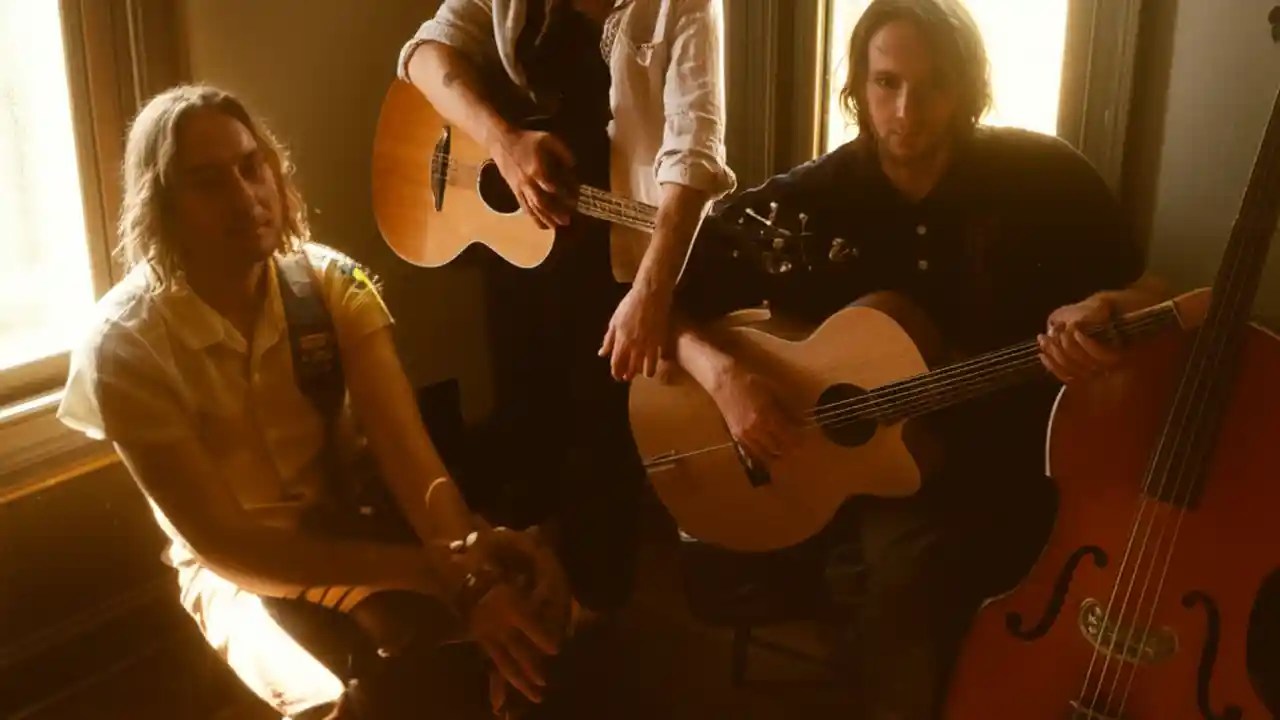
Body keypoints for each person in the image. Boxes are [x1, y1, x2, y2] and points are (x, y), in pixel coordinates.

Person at [668, 1, 1169, 718]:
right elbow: (668, 305)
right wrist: (729, 382)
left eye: (931, 86)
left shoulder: (1045, 177)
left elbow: (1152, 289)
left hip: (1036, 451)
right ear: (858, 88)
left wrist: (1108, 309)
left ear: (966, 88)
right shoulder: (811, 200)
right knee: (910, 574)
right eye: (886, 83)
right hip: (894, 477)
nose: (907, 109)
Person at [56, 84, 571, 719]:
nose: (246, 197)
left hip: (353, 522)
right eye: (209, 183)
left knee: (523, 612)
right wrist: (435, 572)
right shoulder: (125, 347)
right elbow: (229, 546)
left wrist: (473, 563)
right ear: (164, 206)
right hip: (240, 577)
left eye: (252, 167)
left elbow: (412, 462)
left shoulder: (332, 284)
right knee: (328, 704)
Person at [395, 0, 736, 623]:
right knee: (526, 418)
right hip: (521, 243)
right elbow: (423, 54)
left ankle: (592, 616)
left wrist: (651, 295)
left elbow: (695, 153)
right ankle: (527, 588)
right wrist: (503, 143)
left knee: (604, 439)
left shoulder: (683, 8)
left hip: (617, 258)